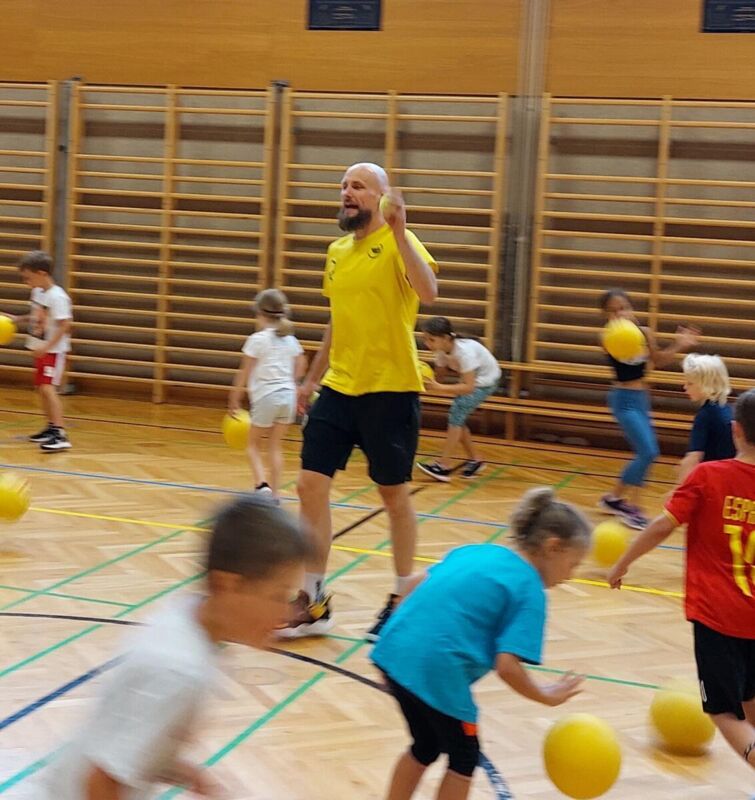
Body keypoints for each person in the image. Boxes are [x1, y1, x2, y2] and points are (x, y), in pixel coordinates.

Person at [40, 494, 311, 799]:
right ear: (227, 585)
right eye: (278, 596)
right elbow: (100, 783)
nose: (286, 614)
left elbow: (125, 734)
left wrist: (179, 769)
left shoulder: (186, 618)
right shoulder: (180, 671)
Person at [280, 162, 438, 641]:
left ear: (382, 196)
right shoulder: (336, 251)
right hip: (341, 387)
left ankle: (402, 595)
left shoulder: (399, 243)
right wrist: (311, 379)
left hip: (390, 388)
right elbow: (337, 319)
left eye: (358, 186)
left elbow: (429, 294)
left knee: (393, 495)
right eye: (344, 185)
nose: (347, 193)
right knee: (309, 485)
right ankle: (313, 598)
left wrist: (402, 231)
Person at [371, 487, 590, 800]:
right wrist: (545, 695)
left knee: (426, 745)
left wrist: (401, 646)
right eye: (574, 564)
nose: (572, 575)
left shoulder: (479, 550)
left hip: (393, 650)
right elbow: (507, 667)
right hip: (437, 671)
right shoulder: (530, 590)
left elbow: (413, 584)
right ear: (553, 547)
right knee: (464, 758)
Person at [608, 388, 755, 774]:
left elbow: (661, 526)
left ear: (735, 430)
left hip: (718, 618)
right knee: (752, 703)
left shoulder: (709, 476)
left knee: (725, 713)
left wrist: (623, 561)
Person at [598, 289, 697, 528]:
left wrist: (679, 344)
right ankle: (633, 507)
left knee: (645, 452)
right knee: (649, 452)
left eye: (623, 308)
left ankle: (614, 498)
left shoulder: (644, 332)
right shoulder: (608, 337)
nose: (619, 314)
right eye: (613, 311)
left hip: (641, 398)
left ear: (631, 308)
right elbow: (623, 356)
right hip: (623, 399)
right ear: (606, 315)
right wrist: (627, 333)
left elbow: (659, 360)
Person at [228, 289, 306, 500]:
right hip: (287, 397)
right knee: (275, 446)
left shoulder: (257, 339)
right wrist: (294, 383)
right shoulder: (290, 340)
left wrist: (234, 397)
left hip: (267, 397)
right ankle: (276, 495)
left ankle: (262, 486)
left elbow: (245, 371)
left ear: (260, 314)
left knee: (253, 445)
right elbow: (301, 362)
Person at [416, 316, 501, 482]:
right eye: (425, 339)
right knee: (458, 418)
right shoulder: (441, 351)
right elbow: (440, 375)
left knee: (456, 413)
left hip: (486, 381)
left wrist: (440, 388)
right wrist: (426, 383)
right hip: (471, 379)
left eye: (431, 339)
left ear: (446, 338)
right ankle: (475, 459)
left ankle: (443, 465)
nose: (427, 343)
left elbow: (469, 387)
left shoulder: (464, 353)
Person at [15, 251, 73, 452]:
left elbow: (65, 325)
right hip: (41, 349)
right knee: (41, 389)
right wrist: (16, 319)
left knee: (48, 388)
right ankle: (50, 427)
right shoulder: (38, 293)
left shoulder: (58, 296)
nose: (26, 282)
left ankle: (60, 433)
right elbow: (36, 317)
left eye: (28, 278)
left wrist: (46, 347)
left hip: (53, 351)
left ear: (42, 273)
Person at [677, 353, 735, 485]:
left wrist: (679, 490)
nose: (685, 387)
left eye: (690, 383)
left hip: (712, 482)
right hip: (727, 479)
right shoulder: (726, 409)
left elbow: (694, 457)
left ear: (706, 384)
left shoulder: (705, 415)